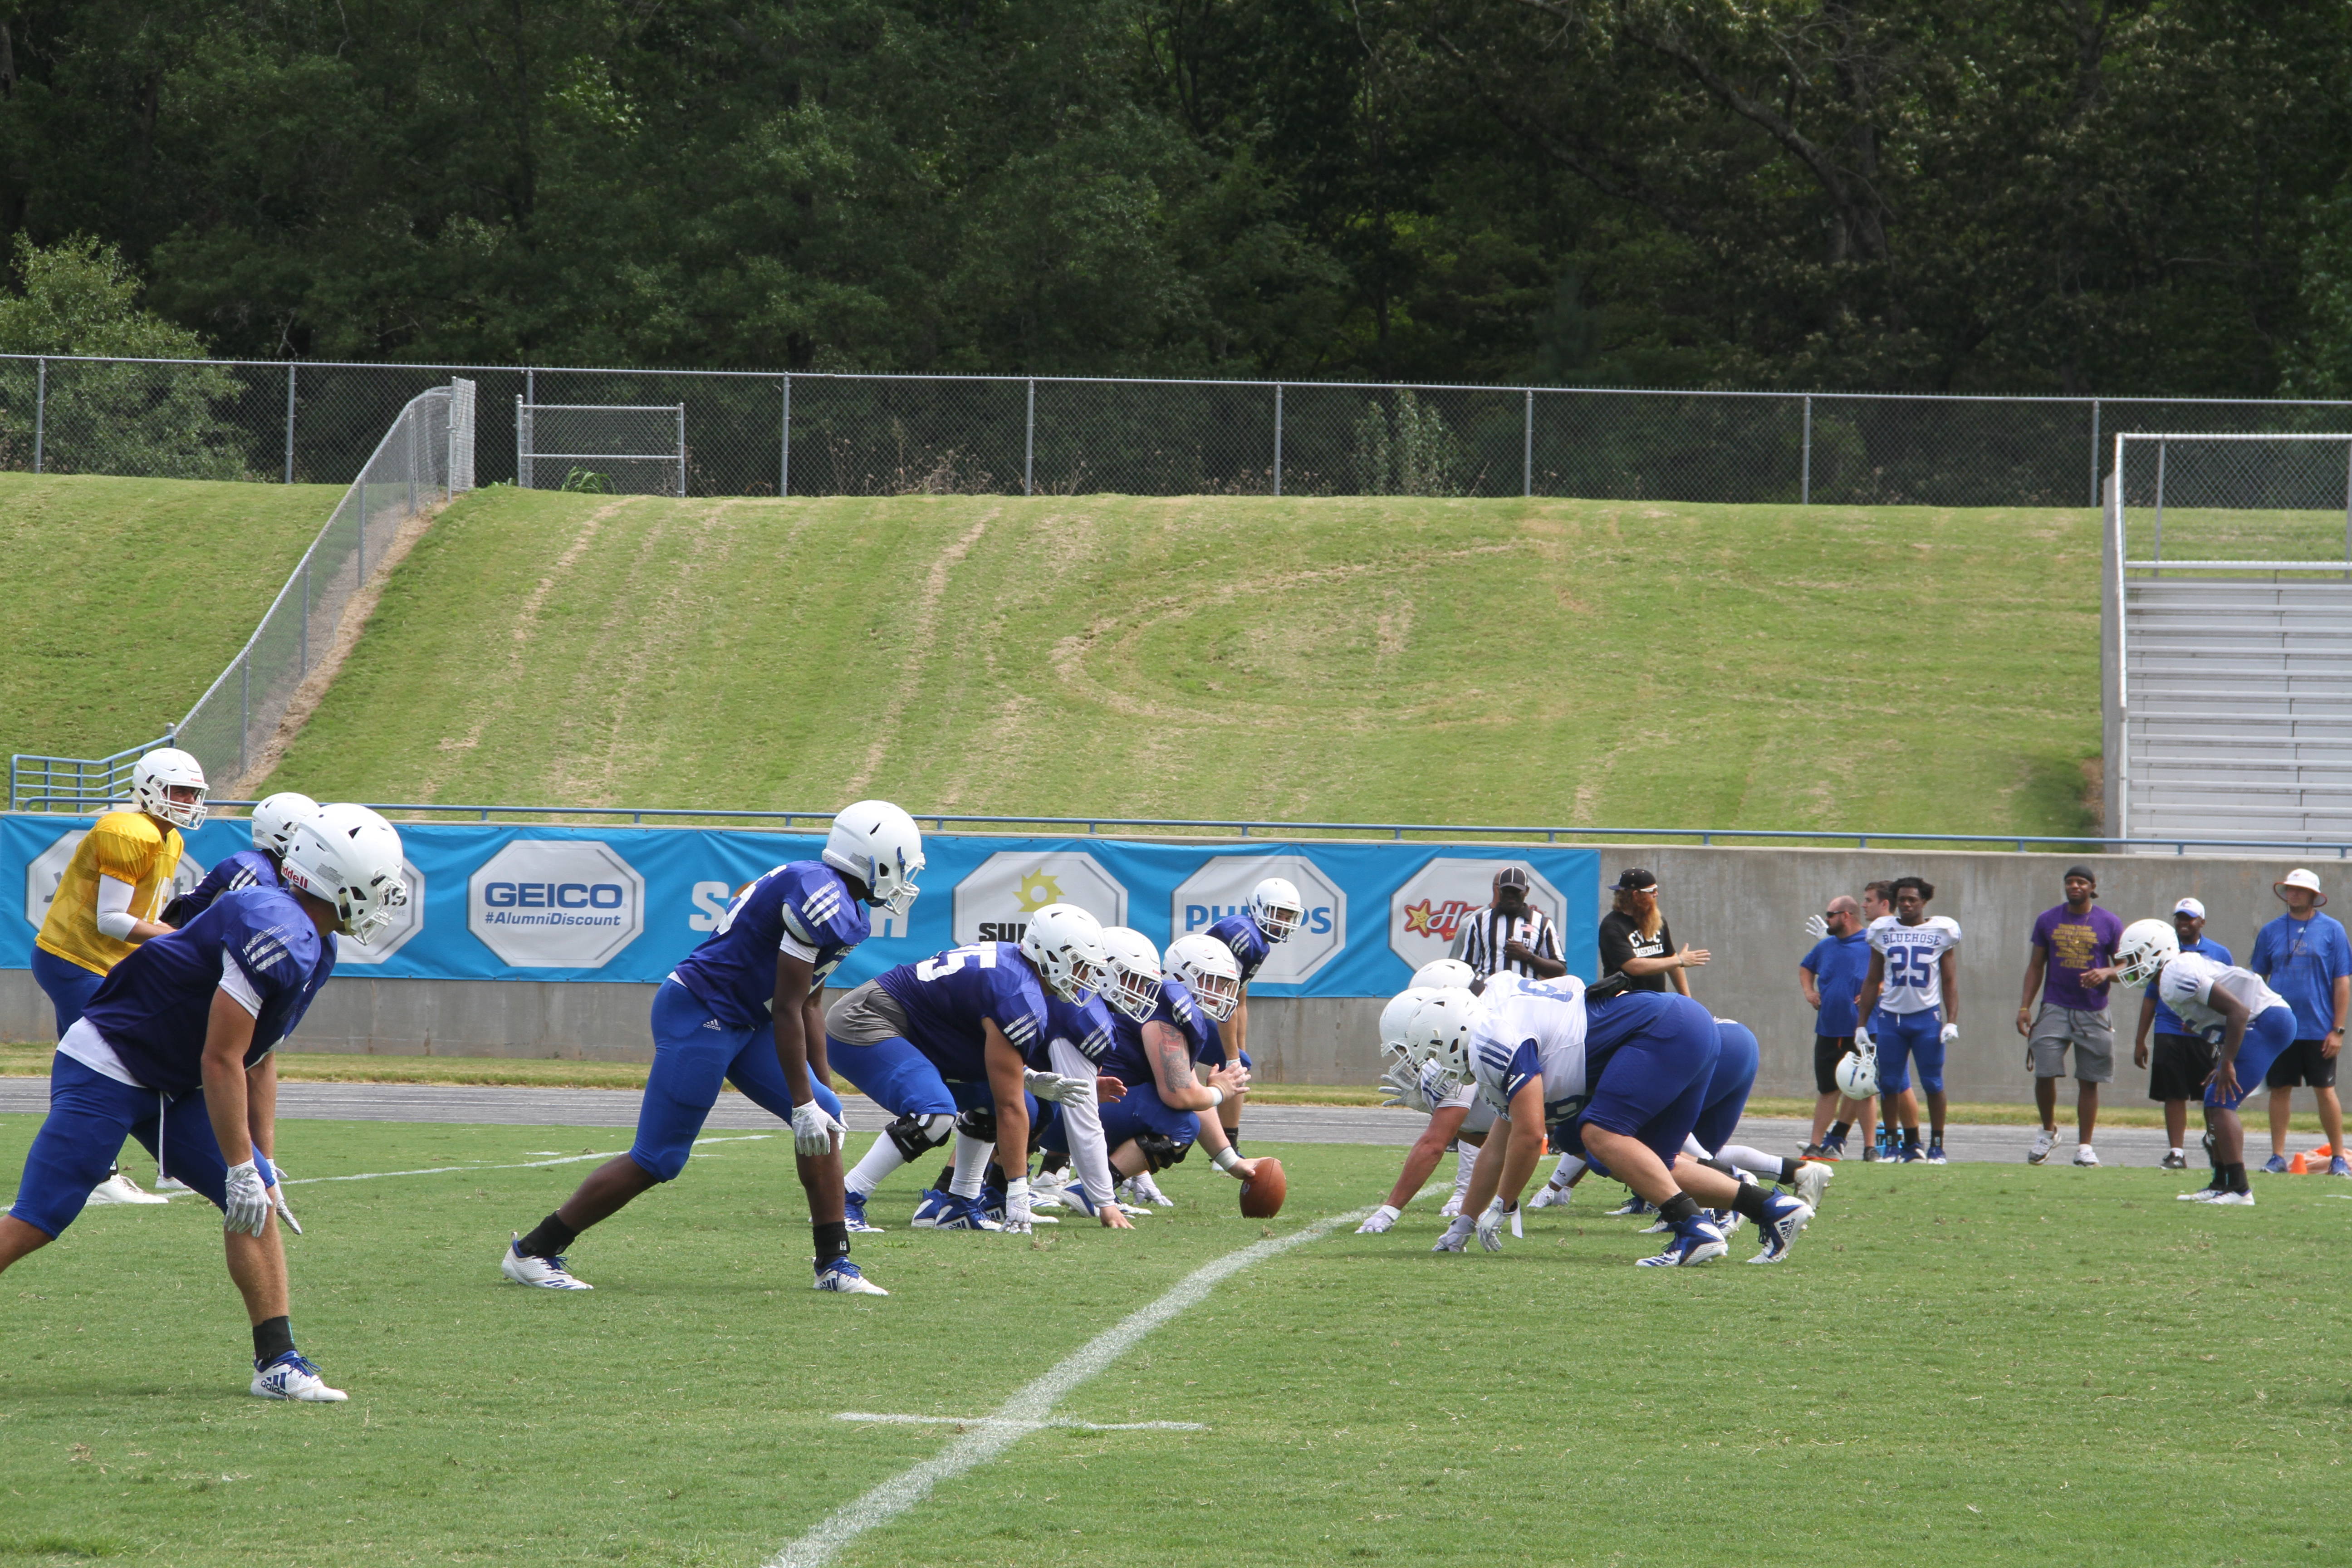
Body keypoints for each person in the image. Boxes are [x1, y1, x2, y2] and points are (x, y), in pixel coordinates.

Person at [0, 803, 407, 1401]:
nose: (382, 901)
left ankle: (278, 1363)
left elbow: (255, 1059)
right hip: (111, 1060)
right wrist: (240, 1167)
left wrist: (259, 1165)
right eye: (376, 886)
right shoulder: (281, 932)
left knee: (256, 1200)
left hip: (173, 1078)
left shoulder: (313, 946)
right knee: (42, 1217)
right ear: (340, 880)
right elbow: (221, 1057)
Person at [500, 801, 924, 1296]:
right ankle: (532, 1252)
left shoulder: (842, 904)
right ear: (873, 858)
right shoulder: (820, 898)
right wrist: (802, 1103)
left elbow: (809, 1003)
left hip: (745, 1017)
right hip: (701, 1013)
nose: (905, 879)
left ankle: (833, 1264)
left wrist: (821, 1097)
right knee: (660, 1158)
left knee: (824, 1116)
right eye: (901, 865)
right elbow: (787, 1008)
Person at [1415, 981, 1815, 1266]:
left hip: (1666, 1029)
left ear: (1448, 1031)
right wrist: (1463, 1224)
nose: (1427, 1063)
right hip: (1685, 1024)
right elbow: (1496, 1146)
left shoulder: (1494, 1038)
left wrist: (1504, 1206)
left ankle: (1695, 1228)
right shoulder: (1503, 1014)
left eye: (1423, 1050)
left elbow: (1529, 1134)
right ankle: (1773, 1208)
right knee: (1656, 1166)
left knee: (1600, 1134)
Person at [827, 903, 1127, 1234]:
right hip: (869, 1019)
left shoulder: (1017, 972)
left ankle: (959, 1202)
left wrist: (1027, 1078)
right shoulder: (1019, 993)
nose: (1085, 979)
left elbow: (989, 1066)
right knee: (934, 1114)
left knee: (1016, 1103)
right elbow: (1008, 1104)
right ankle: (843, 1200)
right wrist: (1018, 1193)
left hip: (917, 1031)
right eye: (1080, 966)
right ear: (1052, 956)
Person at [31, 745, 211, 1209]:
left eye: (194, 794)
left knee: (146, 1054)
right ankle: (97, 1175)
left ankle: (173, 1165)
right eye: (179, 792)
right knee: (98, 1065)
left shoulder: (170, 839)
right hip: (76, 959)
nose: (188, 802)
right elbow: (111, 918)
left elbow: (140, 916)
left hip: (111, 965)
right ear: (150, 790)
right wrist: (180, 938)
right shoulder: (128, 830)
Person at [1039, 928, 1257, 1209]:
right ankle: (1088, 1188)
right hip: (1067, 1111)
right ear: (1181, 976)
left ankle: (1072, 1179)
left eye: (1226, 985)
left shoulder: (1154, 1003)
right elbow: (1181, 1097)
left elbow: (1184, 1087)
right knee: (1179, 1122)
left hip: (1067, 1107)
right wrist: (1219, 1091)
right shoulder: (1168, 1001)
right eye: (1214, 982)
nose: (1221, 993)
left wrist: (1230, 1161)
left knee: (1168, 1109)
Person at [2097, 921, 2298, 1206]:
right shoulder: (2173, 974)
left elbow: (2238, 1011)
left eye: (2132, 958)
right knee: (2213, 1099)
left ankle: (2240, 1190)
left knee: (2220, 1101)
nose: (2128, 965)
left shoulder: (2176, 976)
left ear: (2153, 953)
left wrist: (2227, 1062)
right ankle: (2221, 1183)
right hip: (2261, 1020)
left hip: (2266, 1020)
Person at [1358, 985, 1495, 1233]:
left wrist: (1390, 1209)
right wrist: (1434, 1112)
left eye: (1405, 1047)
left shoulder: (1455, 1053)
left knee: (1574, 1142)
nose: (1405, 1056)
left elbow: (1433, 1145)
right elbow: (1491, 1145)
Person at [2017, 865, 2125, 1167]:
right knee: (2044, 1071)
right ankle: (2048, 1131)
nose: (2074, 886)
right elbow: (2036, 965)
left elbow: (2125, 968)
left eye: (2081, 882)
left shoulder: (2109, 922)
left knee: (2089, 1080)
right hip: (2055, 1006)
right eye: (2070, 882)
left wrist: (2106, 971)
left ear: (2093, 886)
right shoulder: (2049, 919)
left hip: (2094, 1010)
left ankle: (2085, 1146)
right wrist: (2025, 1007)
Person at [2248, 868, 2351, 1178]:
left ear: (2313, 897)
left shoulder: (2333, 931)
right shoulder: (2270, 931)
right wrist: (2257, 1020)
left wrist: (2338, 1029)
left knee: (2325, 1090)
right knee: (2280, 1089)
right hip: (2281, 1026)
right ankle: (2277, 1157)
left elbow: (2342, 982)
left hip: (2319, 1028)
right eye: (2290, 889)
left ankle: (2338, 1158)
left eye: (2301, 890)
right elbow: (2257, 979)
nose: (2294, 894)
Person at [1852, 875, 1961, 1164]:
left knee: (1933, 1084)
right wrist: (1862, 1023)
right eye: (1902, 899)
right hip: (1891, 1019)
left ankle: (1937, 1146)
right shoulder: (1882, 930)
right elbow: (1872, 978)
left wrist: (1952, 1020)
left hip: (1927, 1018)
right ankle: (1892, 1147)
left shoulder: (1942, 930)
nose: (1907, 904)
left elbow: (1949, 981)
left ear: (1924, 901)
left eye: (1913, 899)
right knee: (1888, 1084)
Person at [1200, 877, 1303, 1153]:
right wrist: (1233, 1056)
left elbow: (1240, 999)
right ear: (1259, 908)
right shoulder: (1243, 935)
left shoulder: (1259, 942)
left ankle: (1227, 1145)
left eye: (1288, 915)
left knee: (1239, 1064)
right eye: (1277, 913)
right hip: (1181, 1008)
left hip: (1199, 1008)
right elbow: (1226, 1001)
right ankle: (1219, 1147)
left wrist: (1239, 1051)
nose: (1282, 921)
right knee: (1230, 1064)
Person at [2129, 899, 2230, 1170]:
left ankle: (2214, 1140)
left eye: (2190, 919)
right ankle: (2176, 1152)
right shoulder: (2165, 949)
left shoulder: (2219, 952)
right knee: (2173, 1093)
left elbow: (2229, 994)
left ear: (2202, 922)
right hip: (2169, 1028)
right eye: (2180, 918)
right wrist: (2140, 1040)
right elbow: (2151, 996)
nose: (2184, 924)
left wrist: (2220, 1030)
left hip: (2203, 1033)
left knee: (2209, 1092)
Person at [160, 792, 319, 925]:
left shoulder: (281, 874)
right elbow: (242, 932)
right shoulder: (252, 869)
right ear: (278, 833)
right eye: (305, 833)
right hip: (183, 944)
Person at [1799, 894, 1873, 1158]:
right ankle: (1816, 1145)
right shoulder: (1826, 946)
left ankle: (1870, 1147)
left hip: (1862, 1028)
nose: (1827, 919)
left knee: (1863, 1088)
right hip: (1829, 1028)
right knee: (1828, 1088)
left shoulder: (1870, 943)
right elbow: (1806, 968)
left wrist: (1875, 991)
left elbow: (1890, 974)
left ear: (1846, 916)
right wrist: (1809, 992)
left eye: (1830, 914)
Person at [1597, 868, 1707, 995]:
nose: (1657, 894)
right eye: (1652, 891)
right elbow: (1634, 967)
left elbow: (1671, 959)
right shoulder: (1612, 926)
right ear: (1636, 895)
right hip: (1625, 1003)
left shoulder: (1656, 920)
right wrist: (1680, 960)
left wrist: (1687, 1000)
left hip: (1657, 1000)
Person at [1449, 866, 1564, 980]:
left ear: (1527, 891)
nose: (1511, 895)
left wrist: (1529, 956)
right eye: (1507, 890)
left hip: (1526, 995)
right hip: (1489, 993)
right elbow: (1467, 967)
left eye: (1516, 891)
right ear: (1499, 890)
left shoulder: (1543, 924)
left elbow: (1560, 969)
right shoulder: (1479, 921)